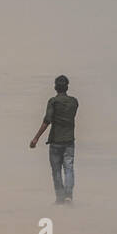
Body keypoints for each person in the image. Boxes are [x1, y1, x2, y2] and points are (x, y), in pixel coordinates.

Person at [29, 75, 78, 205]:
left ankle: (60, 198)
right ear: (67, 87)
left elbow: (47, 121)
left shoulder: (53, 102)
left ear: (56, 87)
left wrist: (36, 138)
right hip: (69, 141)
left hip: (56, 141)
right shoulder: (74, 102)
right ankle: (68, 196)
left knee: (56, 171)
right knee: (69, 168)